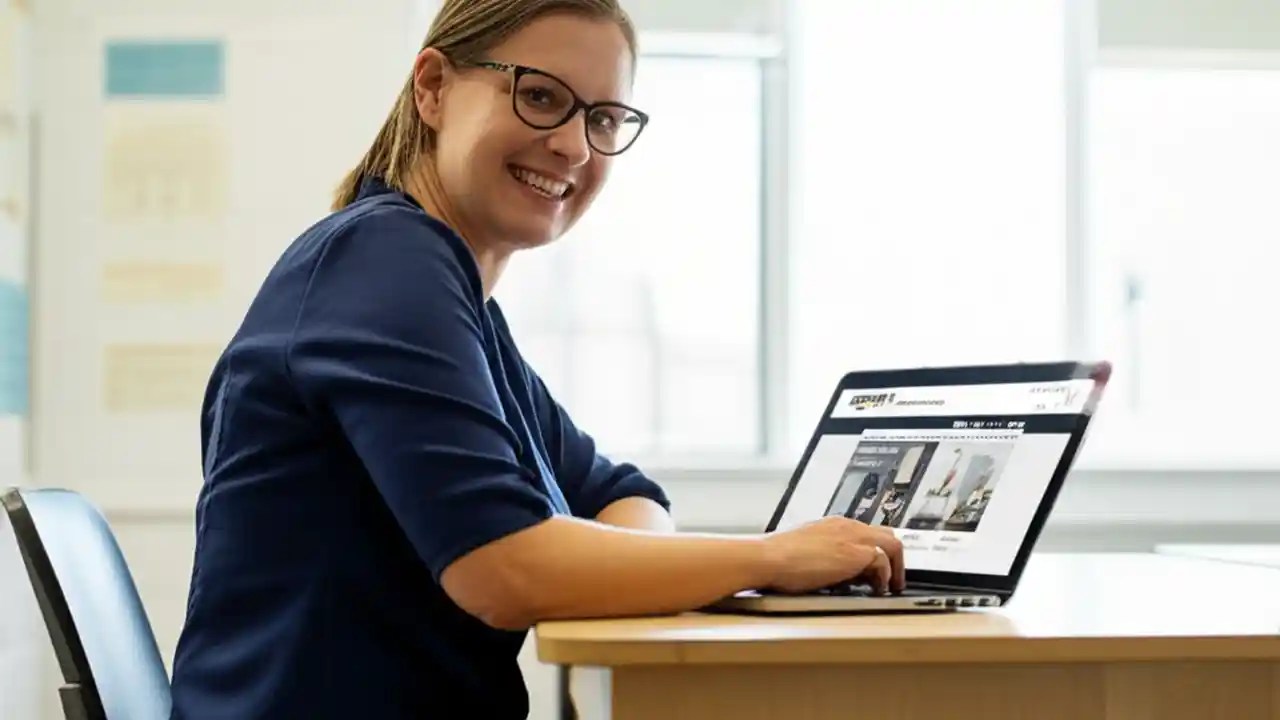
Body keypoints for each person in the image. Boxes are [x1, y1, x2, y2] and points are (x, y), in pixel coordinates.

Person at [167, 0, 906, 718]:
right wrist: (771, 559)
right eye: (541, 96)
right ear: (433, 88)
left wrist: (603, 564)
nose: (574, 147)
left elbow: (619, 491)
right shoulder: (385, 260)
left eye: (603, 119)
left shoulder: (460, 304)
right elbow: (501, 571)